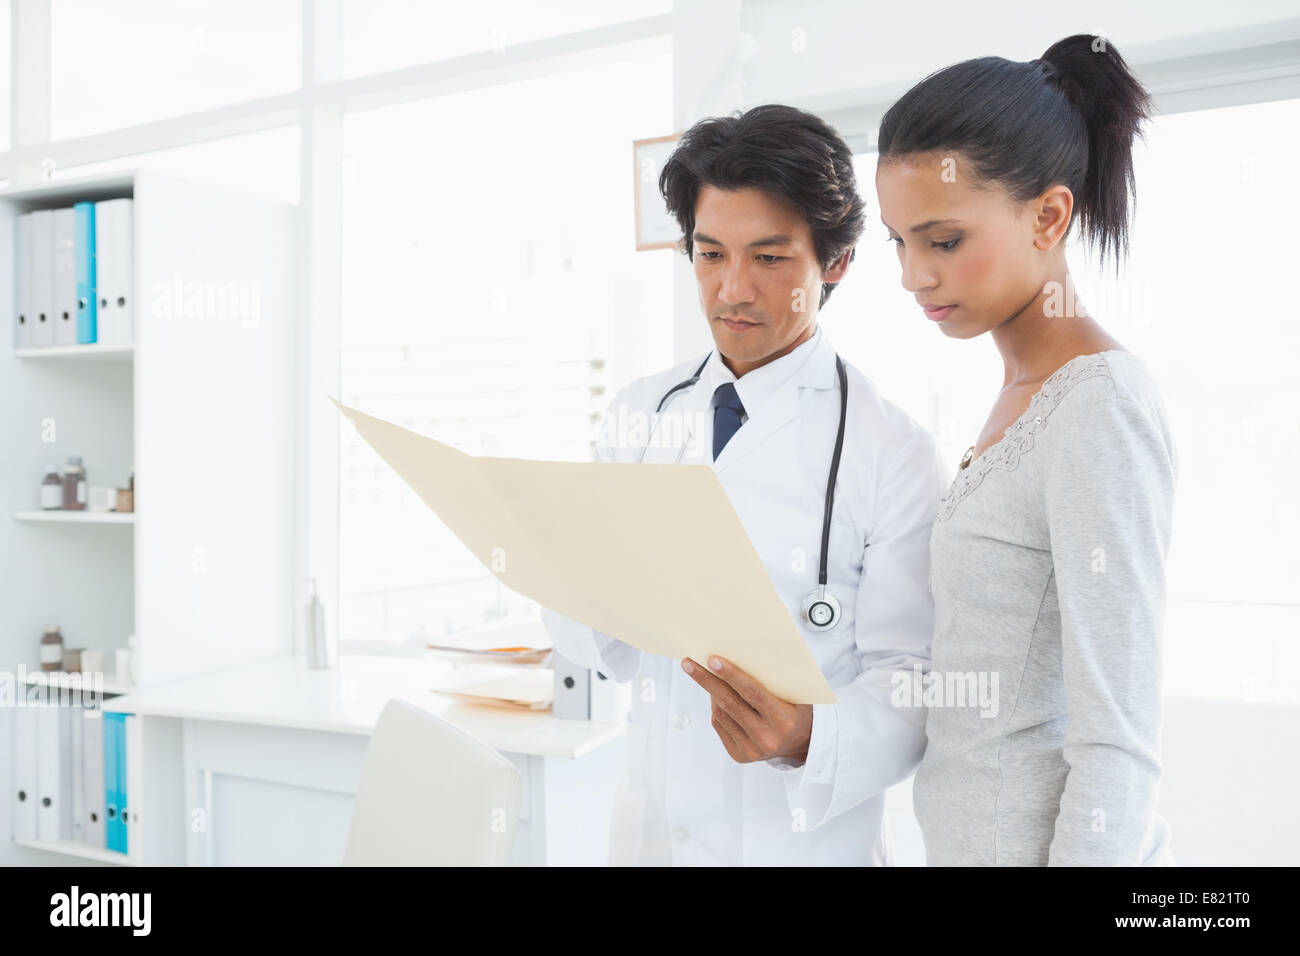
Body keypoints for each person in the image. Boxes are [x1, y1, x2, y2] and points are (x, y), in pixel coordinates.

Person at [541, 104, 948, 865]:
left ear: (835, 262)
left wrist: (807, 740)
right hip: (655, 833)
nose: (732, 290)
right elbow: (583, 631)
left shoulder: (892, 449)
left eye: (769, 258)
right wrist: (588, 591)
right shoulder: (640, 411)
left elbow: (914, 682)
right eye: (709, 254)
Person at [874, 34, 1177, 865]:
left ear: (1048, 216)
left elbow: (1119, 743)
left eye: (941, 241)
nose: (912, 275)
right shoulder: (1020, 396)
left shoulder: (1098, 406)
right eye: (897, 242)